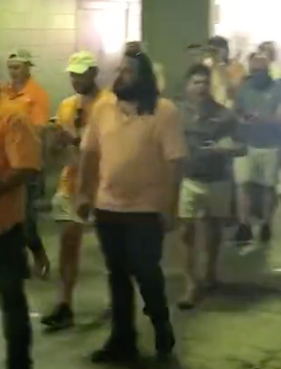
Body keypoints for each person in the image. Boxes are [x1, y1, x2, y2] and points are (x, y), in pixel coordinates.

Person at [76, 49, 186, 364]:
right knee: (117, 275)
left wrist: (170, 207)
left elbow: (176, 161)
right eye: (120, 70)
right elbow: (89, 153)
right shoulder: (103, 108)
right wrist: (83, 194)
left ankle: (161, 328)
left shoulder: (164, 111)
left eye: (129, 71)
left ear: (144, 77)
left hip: (146, 209)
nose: (120, 76)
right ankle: (122, 339)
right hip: (108, 206)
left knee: (146, 272)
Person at [0, 53, 38, 369]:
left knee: (12, 299)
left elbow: (25, 167)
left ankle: (19, 363)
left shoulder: (12, 116)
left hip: (2, 227)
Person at [41, 51, 107, 331]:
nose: (76, 80)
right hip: (71, 182)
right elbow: (57, 148)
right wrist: (54, 140)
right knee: (68, 243)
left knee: (112, 248)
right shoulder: (67, 105)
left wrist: (75, 139)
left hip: (104, 185)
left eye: (81, 74)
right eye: (72, 75)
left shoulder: (109, 104)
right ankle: (64, 303)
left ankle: (120, 297)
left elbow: (109, 146)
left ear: (94, 73)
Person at [176, 64, 243, 309]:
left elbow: (242, 145)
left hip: (218, 180)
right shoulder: (177, 113)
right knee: (185, 232)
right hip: (189, 179)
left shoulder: (225, 115)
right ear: (187, 86)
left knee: (213, 230)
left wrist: (227, 148)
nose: (201, 87)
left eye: (204, 82)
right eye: (196, 82)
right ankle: (190, 283)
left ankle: (210, 272)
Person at [232, 53, 281, 245]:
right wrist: (242, 120)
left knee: (267, 187)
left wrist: (262, 120)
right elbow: (236, 111)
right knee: (244, 185)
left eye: (260, 70)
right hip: (246, 144)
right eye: (254, 70)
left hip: (271, 146)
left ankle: (266, 222)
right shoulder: (244, 88)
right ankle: (244, 225)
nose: (257, 74)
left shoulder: (280, 89)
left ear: (268, 71)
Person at [2, 48, 51, 278]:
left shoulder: (36, 95)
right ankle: (18, 263)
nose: (13, 72)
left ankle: (40, 256)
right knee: (10, 218)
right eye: (10, 68)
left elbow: (38, 129)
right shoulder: (4, 92)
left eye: (17, 67)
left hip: (27, 163)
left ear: (28, 68)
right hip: (6, 162)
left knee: (26, 218)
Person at [206, 36, 246, 108]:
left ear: (227, 50)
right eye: (212, 50)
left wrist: (221, 64)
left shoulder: (238, 67)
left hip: (230, 110)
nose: (215, 53)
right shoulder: (206, 66)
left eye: (218, 50)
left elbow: (233, 94)